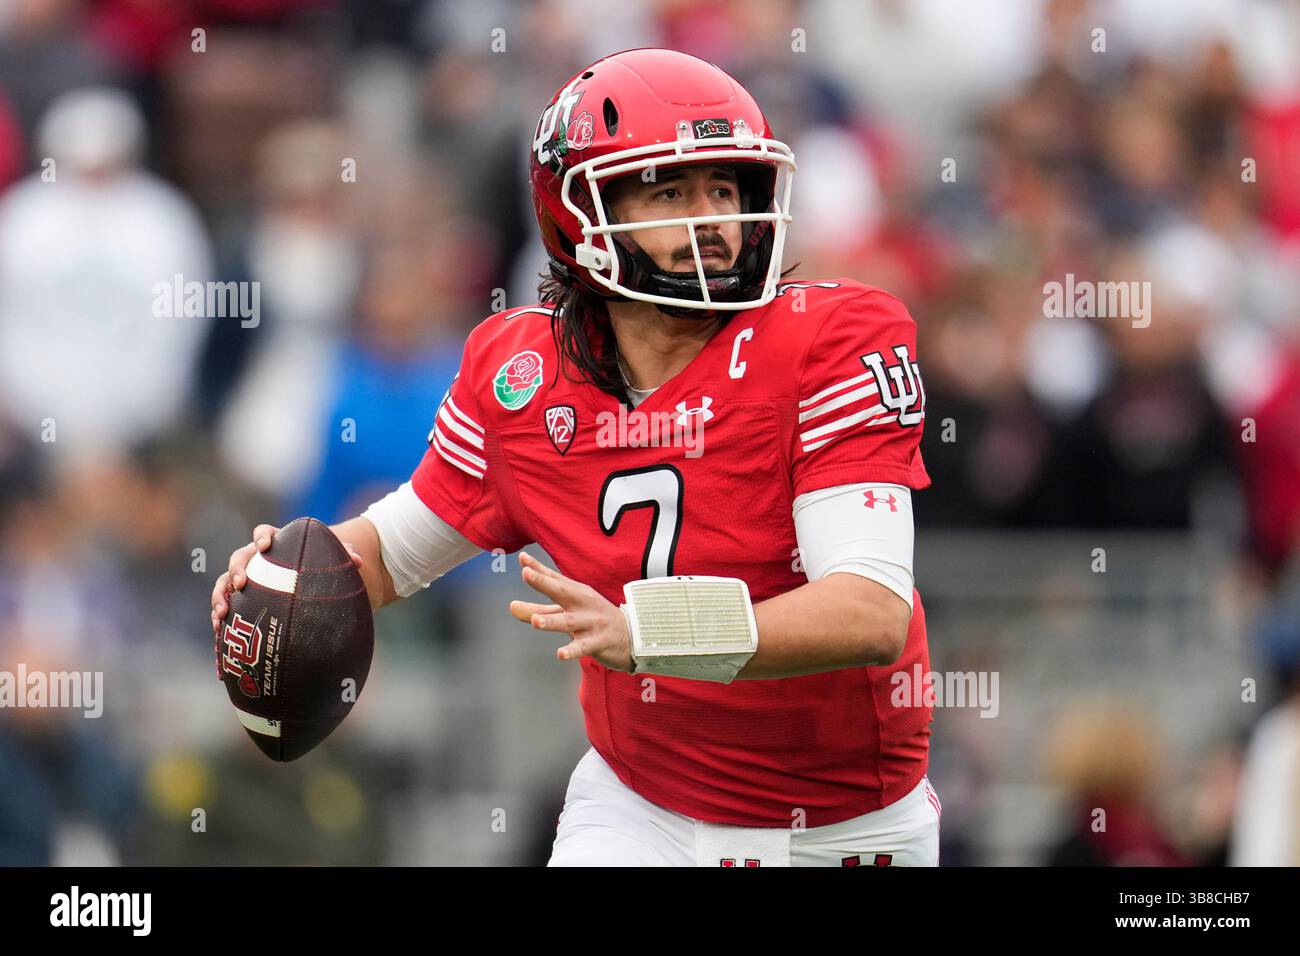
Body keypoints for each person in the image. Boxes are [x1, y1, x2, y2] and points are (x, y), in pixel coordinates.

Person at [211, 48, 939, 867]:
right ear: (578, 215)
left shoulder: (829, 343)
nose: (713, 220)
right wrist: (285, 574)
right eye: (671, 190)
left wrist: (647, 629)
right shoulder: (526, 376)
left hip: (837, 823)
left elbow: (869, 612)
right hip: (639, 805)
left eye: (725, 190)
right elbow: (392, 552)